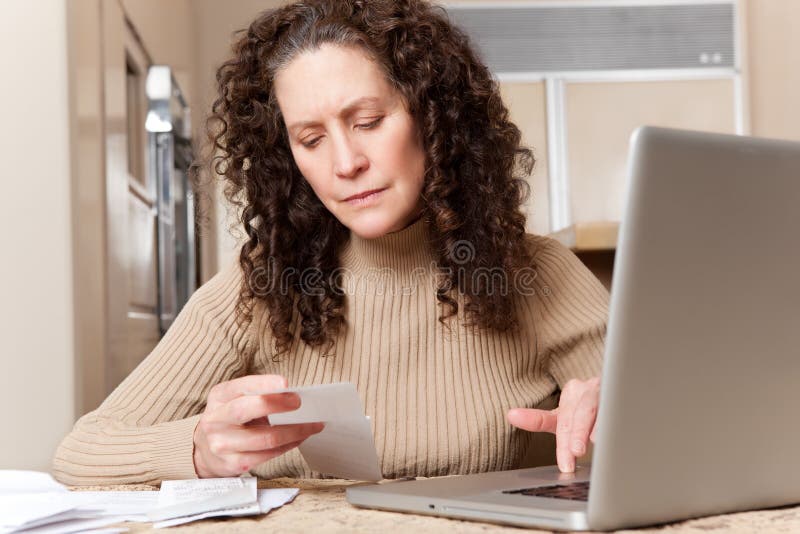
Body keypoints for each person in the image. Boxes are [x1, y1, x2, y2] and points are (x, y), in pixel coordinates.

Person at [52, 0, 608, 486]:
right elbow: (80, 452)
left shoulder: (534, 273)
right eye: (311, 139)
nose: (346, 164)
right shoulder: (260, 290)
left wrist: (619, 414)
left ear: (435, 120)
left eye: (367, 121)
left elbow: (674, 428)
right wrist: (196, 448)